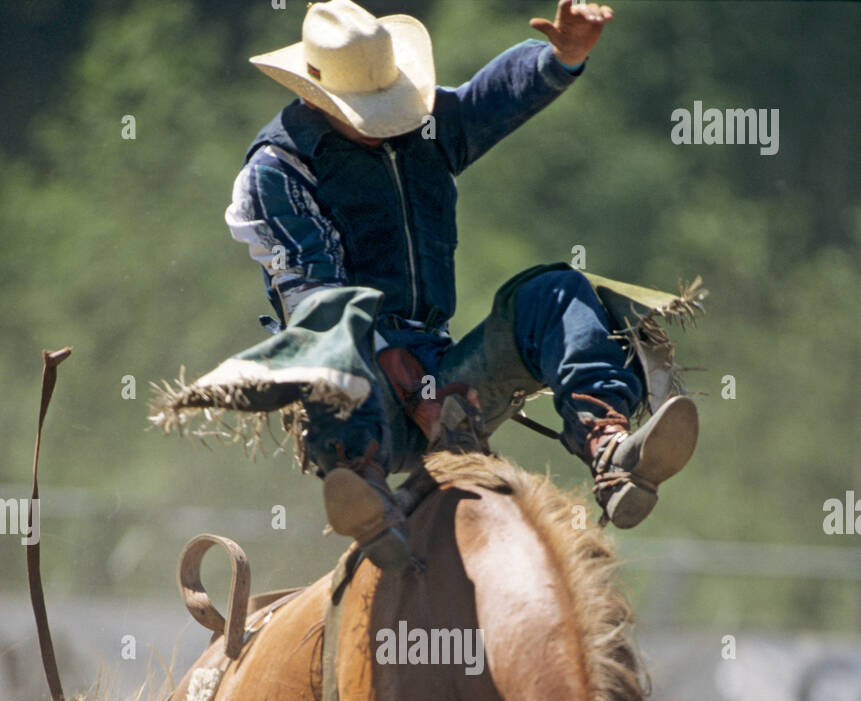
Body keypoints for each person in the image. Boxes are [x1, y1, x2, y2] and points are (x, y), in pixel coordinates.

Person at [226, 0, 698, 567]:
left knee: (553, 292)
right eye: (363, 110)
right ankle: (366, 490)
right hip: (359, 377)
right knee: (333, 351)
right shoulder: (277, 171)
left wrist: (560, 58)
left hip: (445, 378)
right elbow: (319, 300)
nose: (382, 120)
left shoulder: (420, 125)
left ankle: (609, 447)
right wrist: (414, 389)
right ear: (312, 96)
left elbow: (488, 99)